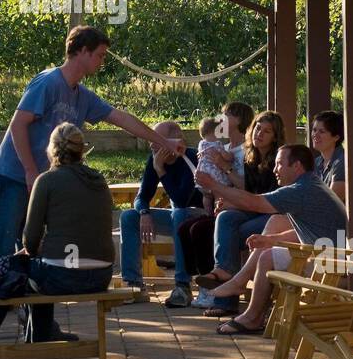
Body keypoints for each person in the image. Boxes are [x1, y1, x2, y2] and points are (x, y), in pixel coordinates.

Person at [0, 25, 187, 277]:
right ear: (83, 52)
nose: (102, 62)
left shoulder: (84, 97)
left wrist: (165, 143)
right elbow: (18, 124)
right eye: (100, 55)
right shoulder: (48, 82)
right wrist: (31, 171)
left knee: (34, 250)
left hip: (41, 181)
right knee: (2, 243)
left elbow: (122, 119)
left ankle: (36, 317)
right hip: (13, 175)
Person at [0, 123, 115, 359]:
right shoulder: (99, 180)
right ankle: (41, 347)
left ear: (52, 150)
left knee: (26, 276)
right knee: (37, 277)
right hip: (101, 274)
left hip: (61, 276)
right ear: (82, 150)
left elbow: (30, 238)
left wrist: (34, 251)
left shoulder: (46, 181)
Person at [196, 143, 347, 334]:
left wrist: (213, 185)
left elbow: (254, 202)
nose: (275, 169)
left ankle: (252, 317)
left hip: (334, 267)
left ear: (297, 166)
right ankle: (240, 283)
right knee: (276, 222)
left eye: (279, 164)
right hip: (328, 254)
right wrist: (273, 240)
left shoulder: (300, 190)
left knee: (267, 257)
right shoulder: (312, 184)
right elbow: (313, 232)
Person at [193, 110, 285, 317]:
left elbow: (266, 200)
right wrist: (231, 201)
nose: (259, 133)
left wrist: (231, 200)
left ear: (275, 137)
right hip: (255, 209)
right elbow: (248, 190)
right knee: (225, 218)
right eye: (258, 128)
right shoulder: (250, 156)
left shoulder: (276, 160)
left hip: (275, 216)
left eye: (267, 131)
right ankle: (223, 273)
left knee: (233, 231)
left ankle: (225, 298)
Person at [118, 121, 204, 308]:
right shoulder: (155, 158)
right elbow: (141, 197)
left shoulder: (191, 157)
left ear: (176, 141)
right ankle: (134, 285)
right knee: (128, 217)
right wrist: (144, 212)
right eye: (150, 138)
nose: (151, 143)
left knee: (179, 213)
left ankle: (182, 286)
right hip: (177, 216)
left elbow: (182, 199)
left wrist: (160, 171)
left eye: (156, 139)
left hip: (199, 218)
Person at [177, 102, 254, 302]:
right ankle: (202, 281)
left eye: (226, 115)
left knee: (200, 231)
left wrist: (222, 166)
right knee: (185, 228)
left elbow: (247, 187)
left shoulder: (246, 151)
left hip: (239, 207)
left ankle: (213, 290)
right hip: (220, 203)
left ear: (238, 120)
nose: (220, 119)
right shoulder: (222, 146)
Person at [311, 110, 346, 202]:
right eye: (314, 130)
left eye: (322, 131)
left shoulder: (342, 162)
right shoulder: (317, 162)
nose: (315, 135)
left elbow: (331, 202)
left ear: (336, 137)